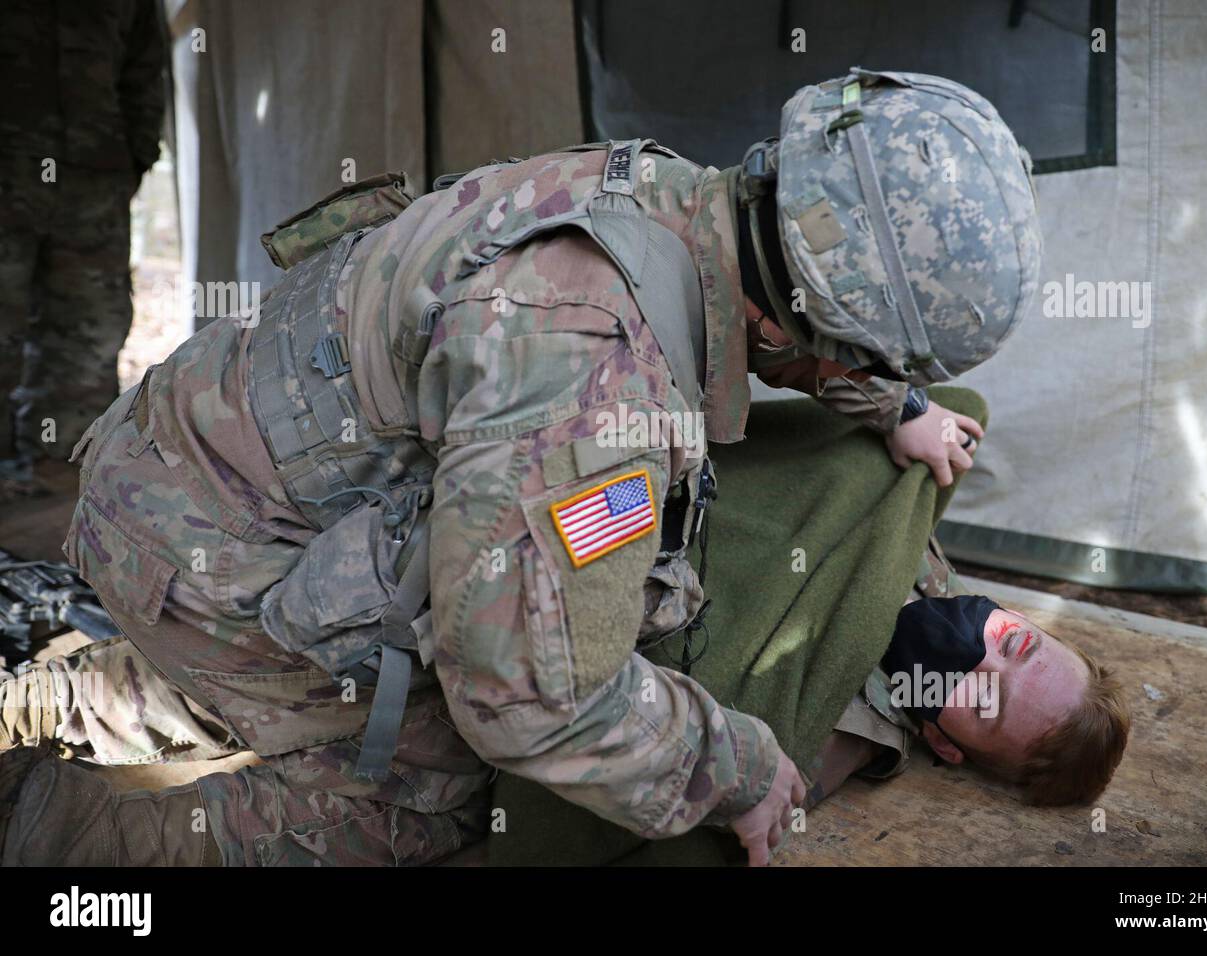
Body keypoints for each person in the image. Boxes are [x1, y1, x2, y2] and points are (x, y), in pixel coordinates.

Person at [0, 68, 1041, 866]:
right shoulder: (595, 385)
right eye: (867, 361)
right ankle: (63, 830)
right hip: (200, 544)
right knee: (446, 785)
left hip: (193, 464)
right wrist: (738, 764)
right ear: (822, 323)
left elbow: (794, 311)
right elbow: (533, 701)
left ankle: (73, 695)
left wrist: (893, 408)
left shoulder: (674, 198)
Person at [807, 545, 1130, 810]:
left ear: (942, 743)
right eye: (1016, 643)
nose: (979, 656)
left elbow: (770, 789)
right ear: (1019, 617)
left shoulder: (844, 732)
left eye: (984, 699)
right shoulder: (939, 579)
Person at [0, 0, 166, 485]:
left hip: (93, 177)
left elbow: (144, 66)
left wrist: (137, 152)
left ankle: (61, 471)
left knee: (86, 331)